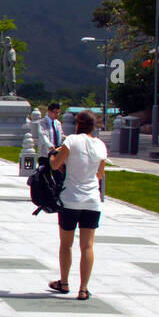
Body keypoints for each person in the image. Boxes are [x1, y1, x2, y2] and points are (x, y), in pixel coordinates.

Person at [47, 110, 107, 300]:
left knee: (66, 244)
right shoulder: (100, 145)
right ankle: (83, 288)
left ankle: (64, 282)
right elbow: (100, 174)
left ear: (77, 124)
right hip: (92, 201)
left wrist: (52, 156)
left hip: (71, 198)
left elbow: (56, 165)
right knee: (87, 246)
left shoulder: (71, 141)